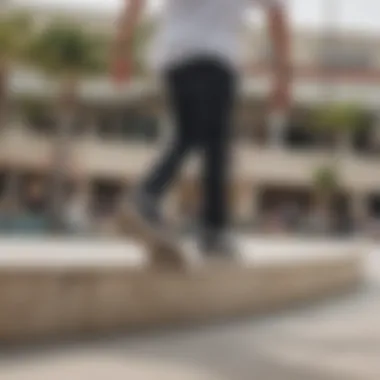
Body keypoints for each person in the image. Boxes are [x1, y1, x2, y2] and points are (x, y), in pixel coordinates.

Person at [112, 0, 290, 259]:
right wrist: (283, 77)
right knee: (214, 144)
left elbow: (135, 4)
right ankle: (210, 228)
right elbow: (278, 20)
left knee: (190, 133)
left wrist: (122, 48)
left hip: (176, 56)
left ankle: (150, 197)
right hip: (216, 58)